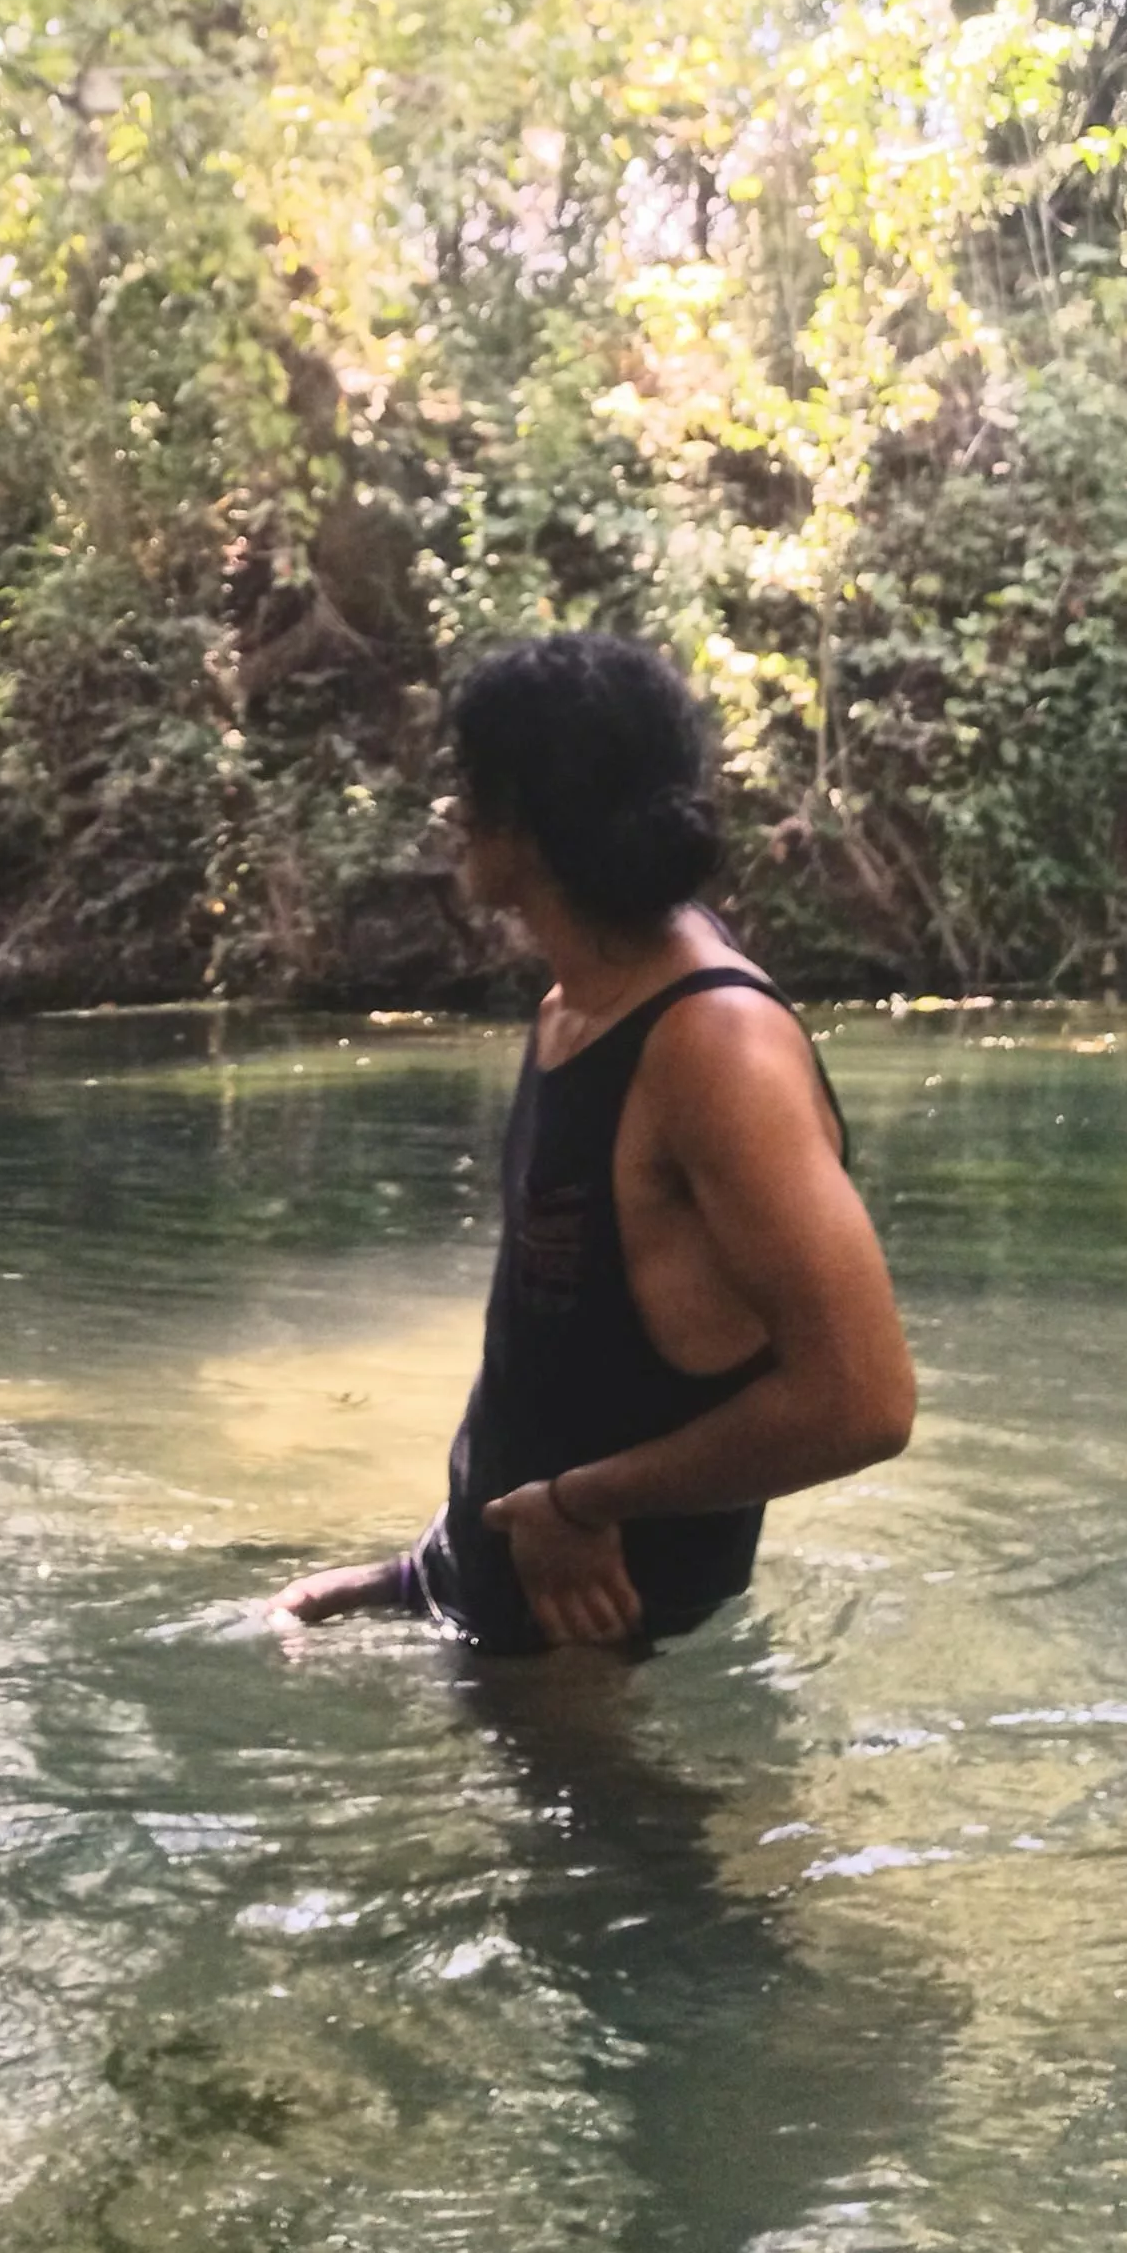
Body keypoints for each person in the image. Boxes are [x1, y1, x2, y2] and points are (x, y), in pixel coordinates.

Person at [274, 632, 914, 1655]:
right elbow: (561, 1354)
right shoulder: (580, 998)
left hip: (605, 1669)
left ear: (526, 816)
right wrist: (429, 1567)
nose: (450, 809)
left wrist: (579, 1505)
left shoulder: (715, 1046)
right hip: (495, 1593)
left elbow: (864, 1399)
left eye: (465, 781)